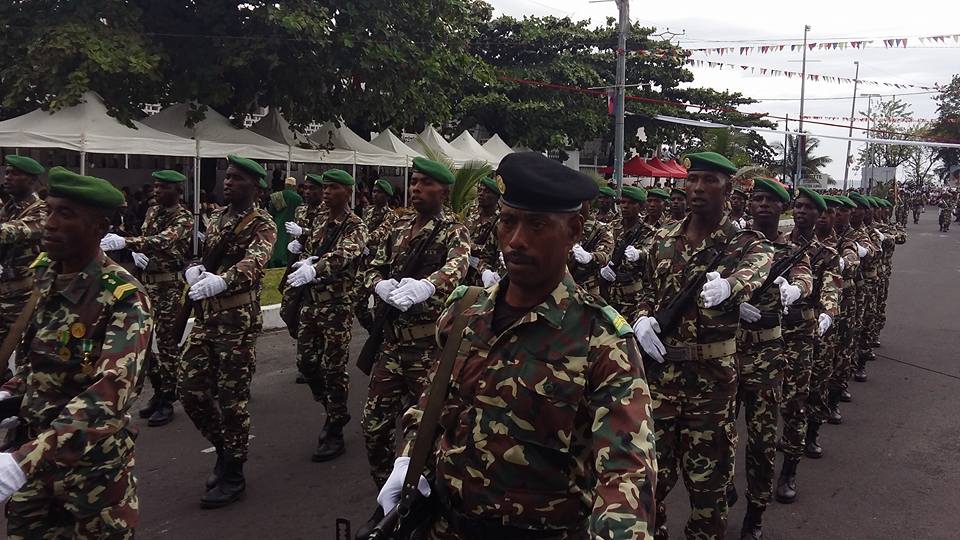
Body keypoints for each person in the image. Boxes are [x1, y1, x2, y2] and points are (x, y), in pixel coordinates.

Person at [379, 151, 657, 539]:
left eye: (537, 225)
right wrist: (409, 458)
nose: (516, 241)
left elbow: (627, 471)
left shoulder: (603, 339)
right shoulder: (465, 311)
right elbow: (435, 400)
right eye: (508, 221)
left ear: (574, 230)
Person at [0, 166, 152, 538]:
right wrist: (11, 393)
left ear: (99, 228)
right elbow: (40, 358)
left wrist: (23, 462)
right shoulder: (47, 275)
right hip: (36, 459)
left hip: (91, 474)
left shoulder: (123, 296)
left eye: (65, 214)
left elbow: (110, 393)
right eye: (49, 210)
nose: (49, 223)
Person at [632, 152, 773, 540]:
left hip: (712, 386)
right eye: (692, 179)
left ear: (728, 189)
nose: (697, 188)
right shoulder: (662, 239)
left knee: (709, 492)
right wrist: (641, 318)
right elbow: (646, 292)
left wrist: (730, 286)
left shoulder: (745, 243)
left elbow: (756, 270)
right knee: (649, 480)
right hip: (661, 379)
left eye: (709, 180)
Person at [360, 157, 470, 499]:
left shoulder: (453, 230)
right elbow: (371, 266)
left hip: (428, 349)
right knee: (374, 427)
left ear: (444, 192)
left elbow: (458, 264)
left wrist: (429, 285)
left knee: (427, 431)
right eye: (415, 181)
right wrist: (378, 284)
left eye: (426, 183)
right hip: (392, 344)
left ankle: (423, 498)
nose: (416, 188)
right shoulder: (398, 228)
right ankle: (387, 497)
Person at [178, 154, 277, 508]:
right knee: (189, 390)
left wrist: (224, 280)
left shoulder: (262, 222)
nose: (228, 182)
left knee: (233, 400)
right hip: (208, 318)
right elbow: (207, 258)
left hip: (237, 321)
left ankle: (234, 471)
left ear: (255, 187)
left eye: (237, 178)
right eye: (228, 176)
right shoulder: (217, 217)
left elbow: (256, 261)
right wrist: (194, 270)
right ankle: (224, 447)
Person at [731, 178, 812, 539]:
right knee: (717, 434)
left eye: (770, 200)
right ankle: (722, 489)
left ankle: (756, 511)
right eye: (757, 199)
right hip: (727, 353)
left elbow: (804, 278)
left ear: (783, 208)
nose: (762, 204)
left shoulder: (792, 250)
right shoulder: (732, 244)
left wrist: (795, 290)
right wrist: (732, 301)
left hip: (766, 356)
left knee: (761, 441)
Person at [285, 169, 367, 462]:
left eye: (334, 188)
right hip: (311, 302)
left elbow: (345, 253)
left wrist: (315, 267)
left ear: (348, 192)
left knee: (334, 368)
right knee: (306, 363)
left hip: (336, 306)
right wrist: (302, 253)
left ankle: (335, 424)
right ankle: (332, 408)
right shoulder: (320, 219)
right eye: (326, 187)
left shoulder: (355, 225)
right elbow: (313, 247)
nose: (327, 192)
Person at [100, 170, 192, 427]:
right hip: (146, 282)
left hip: (168, 285)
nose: (157, 191)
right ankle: (159, 390)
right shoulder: (152, 211)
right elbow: (148, 237)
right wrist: (138, 253)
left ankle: (168, 398)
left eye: (163, 187)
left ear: (177, 191)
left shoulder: (183, 217)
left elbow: (165, 240)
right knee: (144, 341)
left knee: (167, 342)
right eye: (156, 186)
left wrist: (128, 243)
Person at [774, 188, 839, 505]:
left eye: (808, 208)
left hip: (802, 333)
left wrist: (828, 313)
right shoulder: (775, 244)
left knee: (796, 402)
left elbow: (831, 288)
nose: (801, 211)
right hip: (768, 330)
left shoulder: (825, 254)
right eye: (798, 206)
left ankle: (789, 470)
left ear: (819, 215)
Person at [0, 155, 48, 377]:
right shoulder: (9, 207)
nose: (7, 177)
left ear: (31, 180)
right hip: (5, 293)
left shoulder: (41, 210)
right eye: (7, 172)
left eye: (15, 173)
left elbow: (13, 231)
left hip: (27, 297)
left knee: (26, 360)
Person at [826, 196, 862, 424]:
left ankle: (833, 400)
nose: (837, 215)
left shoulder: (851, 238)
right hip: (815, 305)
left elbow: (853, 256)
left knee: (842, 350)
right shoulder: (812, 238)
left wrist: (843, 262)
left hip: (844, 300)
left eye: (841, 211)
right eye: (833, 211)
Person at [598, 185, 654, 322]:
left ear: (641, 207)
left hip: (633, 299)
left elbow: (650, 252)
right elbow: (603, 249)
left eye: (631, 203)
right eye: (623, 202)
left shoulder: (648, 231)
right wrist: (603, 266)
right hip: (609, 293)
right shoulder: (611, 226)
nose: (625, 206)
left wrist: (639, 254)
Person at [353, 179, 399, 331]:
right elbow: (362, 228)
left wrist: (361, 240)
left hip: (381, 265)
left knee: (381, 307)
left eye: (379, 192)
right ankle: (372, 330)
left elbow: (381, 232)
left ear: (387, 196)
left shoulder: (392, 216)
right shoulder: (368, 211)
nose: (374, 195)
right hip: (364, 263)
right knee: (357, 302)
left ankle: (380, 336)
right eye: (373, 191)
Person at [569, 194, 614, 295]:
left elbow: (605, 254)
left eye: (581, 201)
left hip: (587, 290)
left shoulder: (601, 229)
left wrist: (590, 257)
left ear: (589, 203)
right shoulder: (561, 225)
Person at [465, 177, 502, 288]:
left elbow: (496, 252)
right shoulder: (472, 212)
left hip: (486, 276)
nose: (481, 194)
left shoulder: (501, 220)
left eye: (486, 192)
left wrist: (469, 246)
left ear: (496, 197)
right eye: (480, 190)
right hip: (465, 271)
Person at [267, 174, 303, 268]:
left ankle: (274, 262)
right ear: (294, 186)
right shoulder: (298, 198)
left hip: (278, 223)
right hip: (292, 226)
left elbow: (271, 212)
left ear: (285, 184)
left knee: (277, 244)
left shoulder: (277, 195)